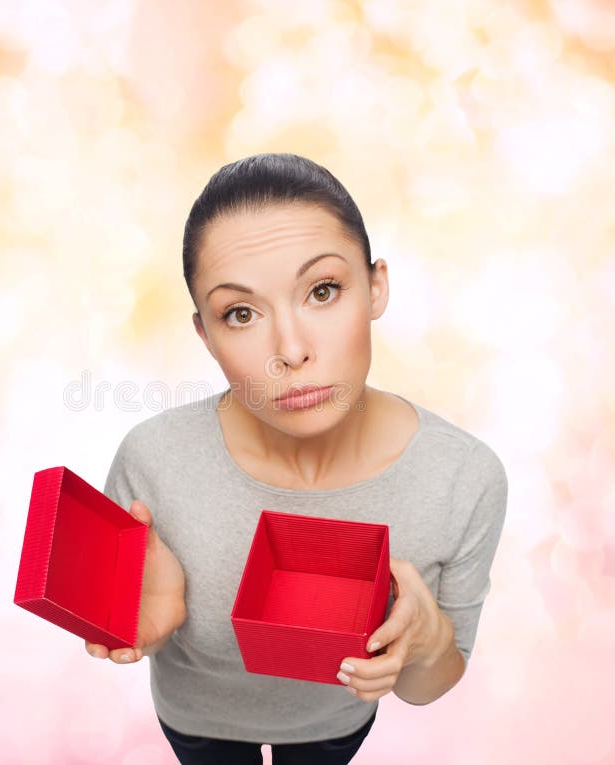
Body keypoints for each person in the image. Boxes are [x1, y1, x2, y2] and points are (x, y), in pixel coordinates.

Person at [84, 152, 508, 764]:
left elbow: (429, 686)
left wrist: (427, 641)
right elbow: (117, 615)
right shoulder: (152, 462)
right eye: (241, 313)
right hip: (197, 720)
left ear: (376, 287)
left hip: (333, 726)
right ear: (205, 333)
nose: (290, 349)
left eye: (323, 290)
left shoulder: (463, 478)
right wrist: (129, 620)